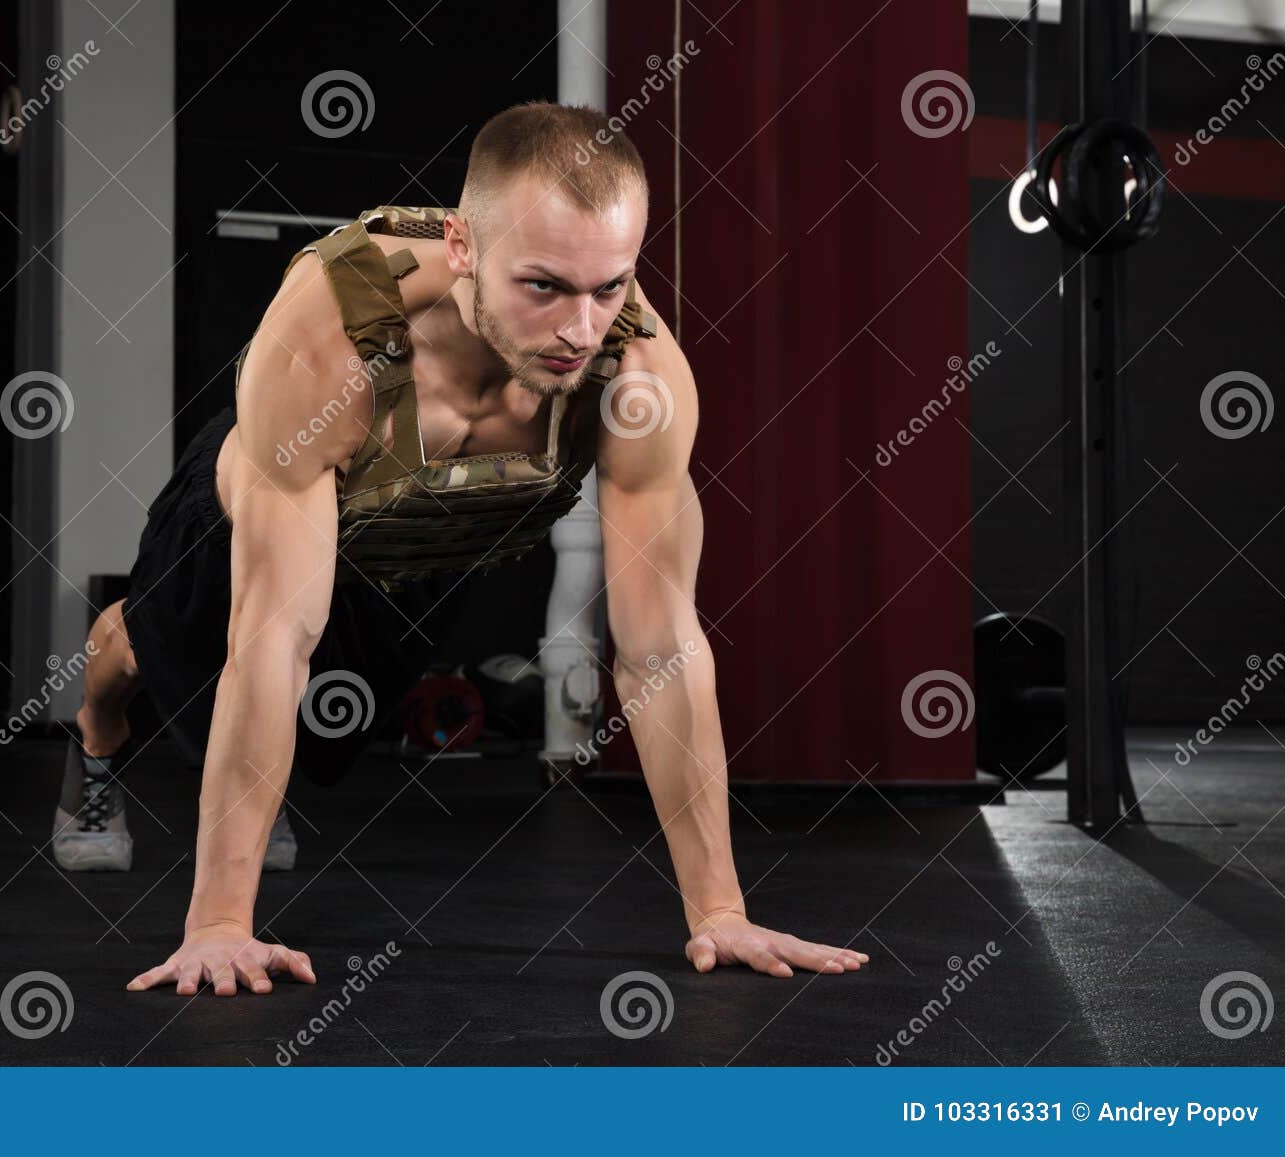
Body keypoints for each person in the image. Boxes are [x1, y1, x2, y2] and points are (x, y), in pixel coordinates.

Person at [56, 101, 869, 996]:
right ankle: (95, 740)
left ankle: (258, 785)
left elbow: (659, 651)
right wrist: (220, 925)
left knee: (325, 744)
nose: (580, 329)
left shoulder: (638, 382)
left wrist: (719, 910)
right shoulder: (330, 340)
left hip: (414, 551)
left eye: (609, 288)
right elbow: (274, 641)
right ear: (462, 245)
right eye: (543, 286)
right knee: (155, 653)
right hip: (254, 513)